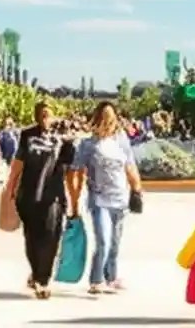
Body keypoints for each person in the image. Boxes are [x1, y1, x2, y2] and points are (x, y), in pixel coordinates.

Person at [67, 101, 143, 294]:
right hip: (99, 200)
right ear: (98, 119)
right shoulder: (88, 144)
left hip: (120, 199)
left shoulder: (121, 140)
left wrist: (137, 189)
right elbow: (75, 171)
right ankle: (96, 279)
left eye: (111, 117)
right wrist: (74, 200)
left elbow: (130, 166)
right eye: (105, 117)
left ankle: (112, 277)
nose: (108, 121)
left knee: (115, 243)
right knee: (104, 240)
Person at [3, 102, 75, 299]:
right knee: (33, 238)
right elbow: (18, 163)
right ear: (36, 116)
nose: (45, 118)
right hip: (29, 194)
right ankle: (36, 273)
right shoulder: (28, 135)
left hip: (53, 195)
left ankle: (43, 280)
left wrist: (69, 142)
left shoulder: (62, 137)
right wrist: (10, 188)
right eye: (42, 114)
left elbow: (69, 166)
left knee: (52, 236)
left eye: (49, 114)